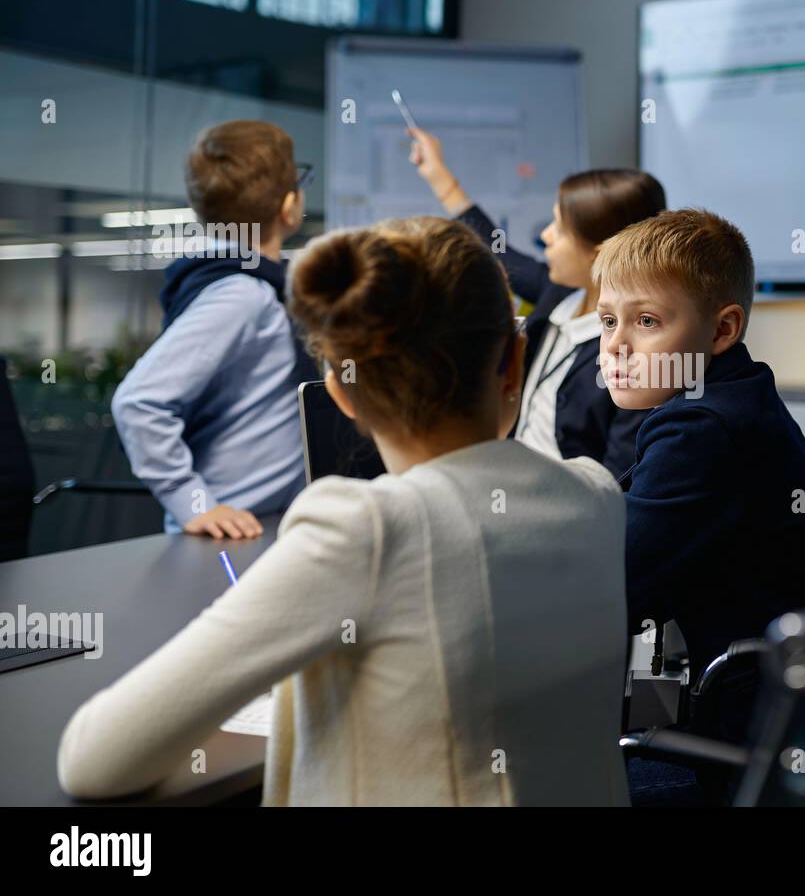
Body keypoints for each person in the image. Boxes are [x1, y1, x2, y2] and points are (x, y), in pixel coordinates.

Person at [59, 216, 630, 806]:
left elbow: (92, 760)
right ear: (514, 360)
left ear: (339, 392)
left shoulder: (367, 529)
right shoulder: (596, 496)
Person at [594, 208, 805, 739]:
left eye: (646, 321)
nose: (615, 345)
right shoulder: (729, 394)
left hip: (779, 738)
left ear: (721, 329)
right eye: (609, 320)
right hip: (799, 697)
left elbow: (611, 588)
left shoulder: (702, 429)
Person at [408, 127, 661, 477]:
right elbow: (494, 248)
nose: (545, 236)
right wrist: (438, 175)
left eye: (558, 227)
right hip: (511, 480)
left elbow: (618, 481)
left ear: (599, 253)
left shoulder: (632, 354)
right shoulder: (558, 295)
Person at [111, 120, 318, 538]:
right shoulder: (241, 294)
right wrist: (193, 502)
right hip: (232, 536)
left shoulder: (258, 284)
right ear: (289, 206)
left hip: (270, 525)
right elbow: (138, 402)